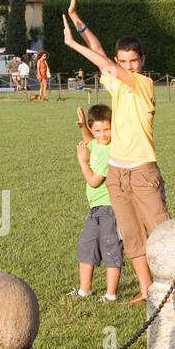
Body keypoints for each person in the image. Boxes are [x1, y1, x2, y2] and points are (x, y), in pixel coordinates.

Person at [62, 0, 168, 305]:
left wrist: (71, 43)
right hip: (117, 172)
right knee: (132, 235)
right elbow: (103, 57)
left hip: (141, 169)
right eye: (125, 61)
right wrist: (78, 21)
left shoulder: (143, 84)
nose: (129, 65)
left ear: (142, 61)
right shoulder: (118, 83)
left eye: (133, 61)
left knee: (159, 228)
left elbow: (106, 64)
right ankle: (147, 289)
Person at [67, 105, 122, 302]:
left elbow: (93, 180)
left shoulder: (110, 151)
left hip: (110, 209)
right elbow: (90, 143)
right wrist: (83, 127)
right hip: (96, 208)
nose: (103, 134)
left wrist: (82, 162)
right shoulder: (97, 143)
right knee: (86, 247)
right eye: (97, 130)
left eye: (106, 129)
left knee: (111, 249)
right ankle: (84, 290)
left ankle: (111, 294)